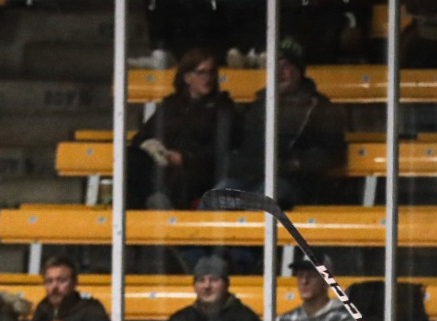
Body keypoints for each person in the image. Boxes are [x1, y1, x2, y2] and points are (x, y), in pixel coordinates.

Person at [218, 39, 345, 208]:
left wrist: (294, 164)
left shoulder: (321, 107)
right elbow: (245, 150)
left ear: (299, 70)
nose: (279, 72)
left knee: (261, 200)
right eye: (274, 65)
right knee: (215, 200)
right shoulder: (260, 104)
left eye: (286, 66)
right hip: (253, 178)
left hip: (294, 183)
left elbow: (332, 153)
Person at [130, 49, 242, 209]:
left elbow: (224, 149)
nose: (207, 78)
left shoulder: (224, 108)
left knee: (179, 176)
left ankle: (164, 206)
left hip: (200, 170)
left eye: (211, 73)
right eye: (201, 73)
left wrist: (185, 158)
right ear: (187, 77)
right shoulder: (170, 106)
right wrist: (153, 148)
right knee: (131, 158)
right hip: (163, 164)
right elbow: (141, 137)